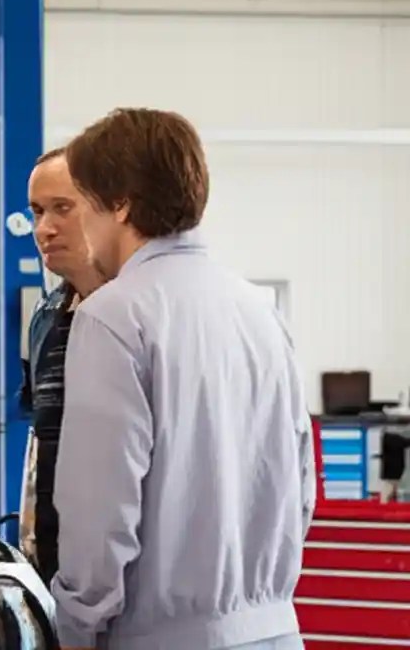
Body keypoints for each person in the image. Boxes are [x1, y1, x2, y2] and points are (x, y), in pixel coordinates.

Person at [50, 108, 316, 650]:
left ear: (119, 204)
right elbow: (301, 485)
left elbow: (100, 513)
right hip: (276, 630)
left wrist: (74, 626)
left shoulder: (113, 315)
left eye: (84, 204)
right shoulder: (260, 311)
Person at [16, 147, 104, 587]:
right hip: (50, 561)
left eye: (62, 209)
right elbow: (39, 439)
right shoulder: (45, 314)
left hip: (116, 568)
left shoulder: (134, 316)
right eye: (37, 211)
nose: (43, 229)